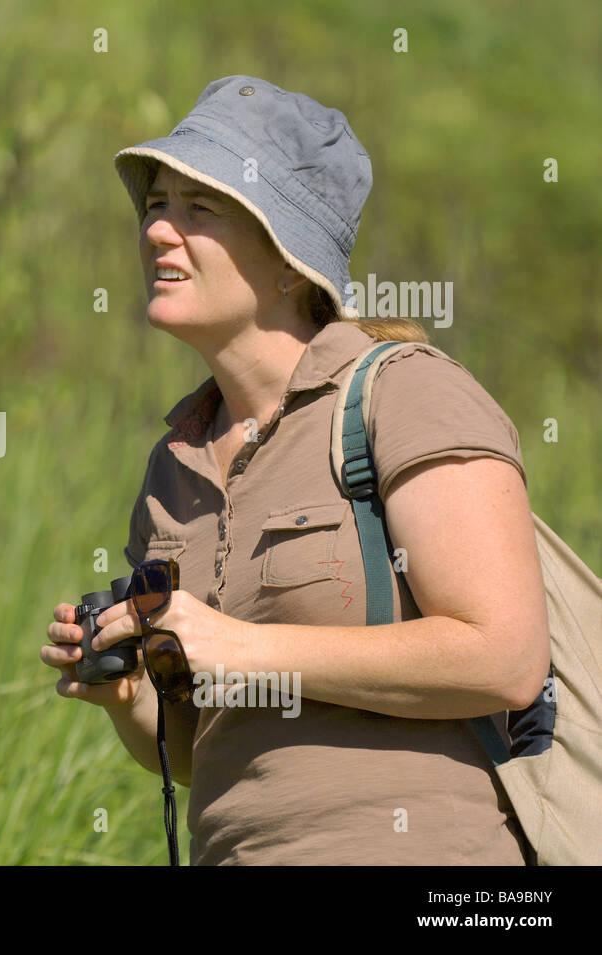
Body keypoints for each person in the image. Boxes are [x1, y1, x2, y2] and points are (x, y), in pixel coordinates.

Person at [42, 76, 550, 864]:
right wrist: (126, 693)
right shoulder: (171, 465)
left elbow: (505, 657)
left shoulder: (404, 391)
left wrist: (238, 645)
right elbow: (195, 748)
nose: (157, 232)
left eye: (198, 208)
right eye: (155, 205)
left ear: (288, 259)